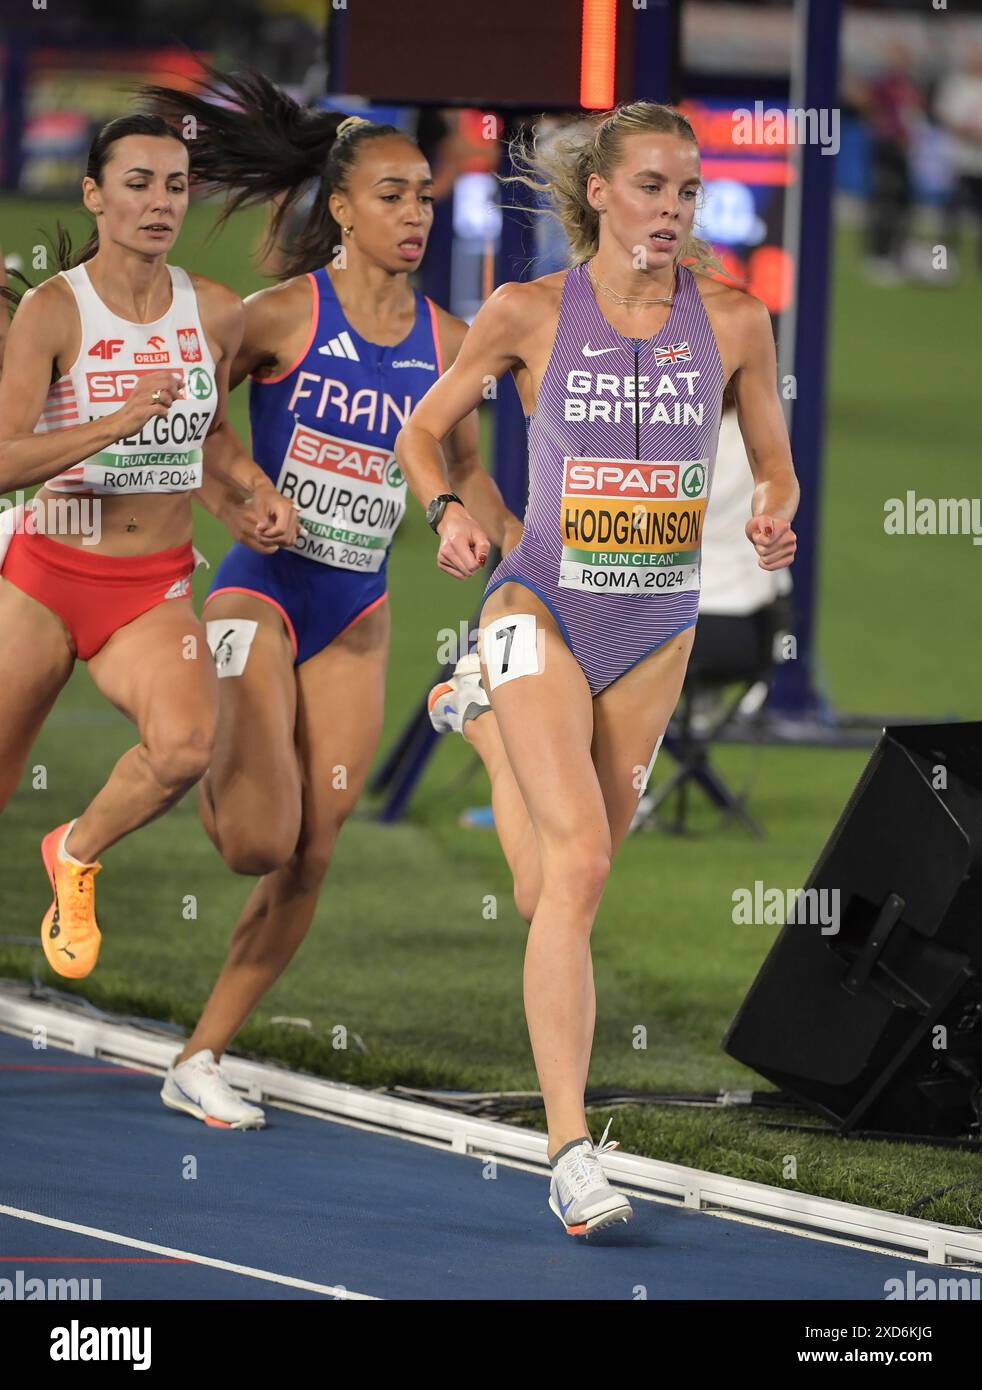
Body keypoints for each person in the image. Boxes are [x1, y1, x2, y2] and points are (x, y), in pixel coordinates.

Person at [396, 102, 799, 1235]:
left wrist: (774, 512)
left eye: (689, 189)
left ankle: (476, 726)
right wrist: (443, 513)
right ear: (599, 195)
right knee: (573, 867)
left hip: (656, 632)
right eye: (655, 187)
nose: (675, 208)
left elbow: (774, 465)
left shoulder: (732, 322)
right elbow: (424, 432)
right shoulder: (528, 311)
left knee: (547, 891)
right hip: (540, 603)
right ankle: (570, 1146)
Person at [138, 66, 521, 1128]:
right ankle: (186, 741)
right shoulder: (276, 316)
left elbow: (466, 462)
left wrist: (497, 533)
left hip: (355, 608)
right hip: (257, 591)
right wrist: (245, 495)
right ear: (342, 207)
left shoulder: (450, 340)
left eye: (425, 198)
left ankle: (201, 1056)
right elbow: (199, 426)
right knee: (255, 838)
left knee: (313, 844)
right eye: (392, 196)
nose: (413, 214)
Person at [0, 113, 297, 982]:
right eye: (138, 183)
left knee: (184, 747)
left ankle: (76, 851)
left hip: (150, 587)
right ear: (94, 195)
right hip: (45, 578)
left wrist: (253, 493)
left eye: (175, 185)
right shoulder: (56, 311)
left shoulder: (212, 310)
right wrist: (112, 423)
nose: (161, 202)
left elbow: (211, 441)